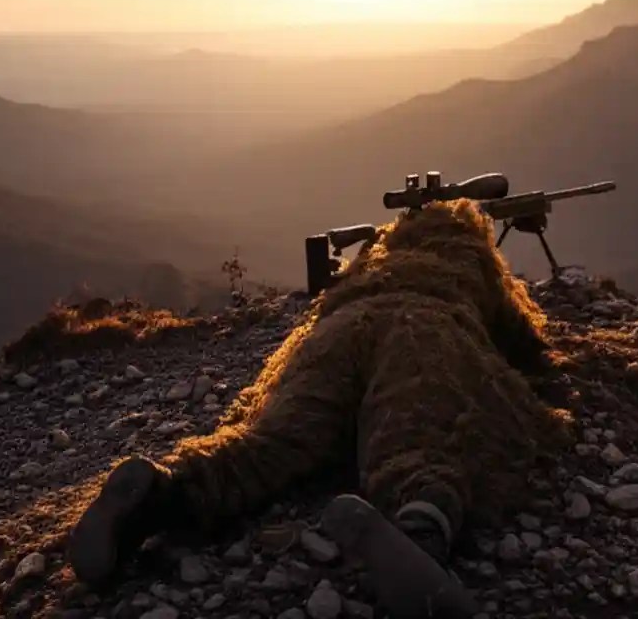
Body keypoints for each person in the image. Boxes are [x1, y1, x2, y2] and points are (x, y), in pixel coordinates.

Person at [67, 199, 569, 615]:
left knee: (270, 443)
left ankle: (161, 492)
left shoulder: (377, 261)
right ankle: (421, 536)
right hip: (426, 331)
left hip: (337, 332)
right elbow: (525, 344)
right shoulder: (469, 256)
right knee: (420, 442)